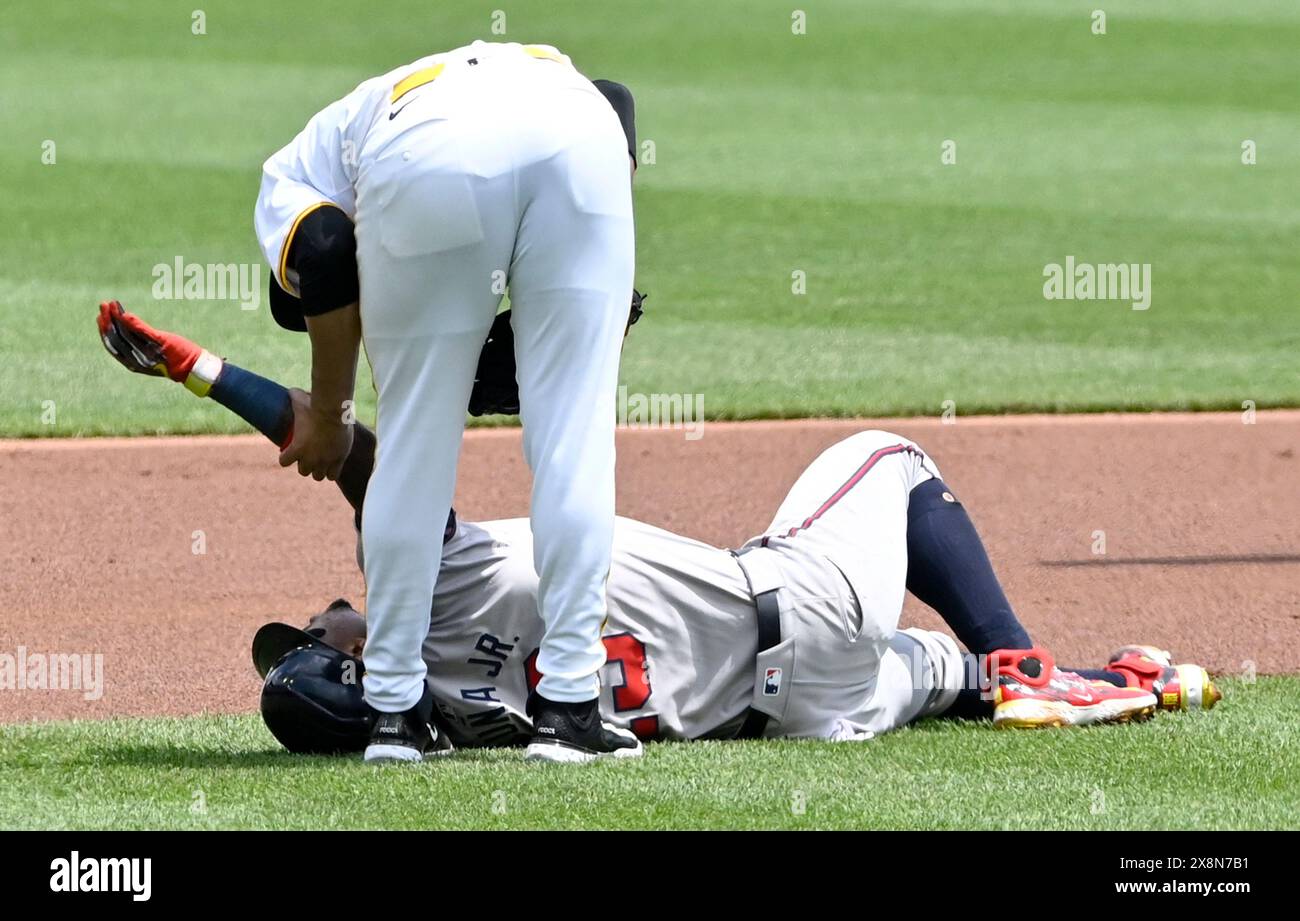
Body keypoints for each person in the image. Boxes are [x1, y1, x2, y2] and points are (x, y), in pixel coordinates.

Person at [97, 304, 1223, 754]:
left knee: (937, 672)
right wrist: (206, 375)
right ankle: (1028, 661)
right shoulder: (419, 596)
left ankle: (1107, 681)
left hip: (801, 720)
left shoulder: (446, 732)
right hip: (798, 600)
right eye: (314, 629)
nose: (322, 609)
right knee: (888, 458)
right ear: (353, 657)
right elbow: (348, 451)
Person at [252, 42, 638, 762]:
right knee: (575, 436)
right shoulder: (359, 112)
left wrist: (335, 415)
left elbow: (329, 249)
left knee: (414, 443)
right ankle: (570, 709)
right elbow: (614, 100)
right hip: (585, 133)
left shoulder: (294, 172)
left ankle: (396, 711)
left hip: (430, 153)